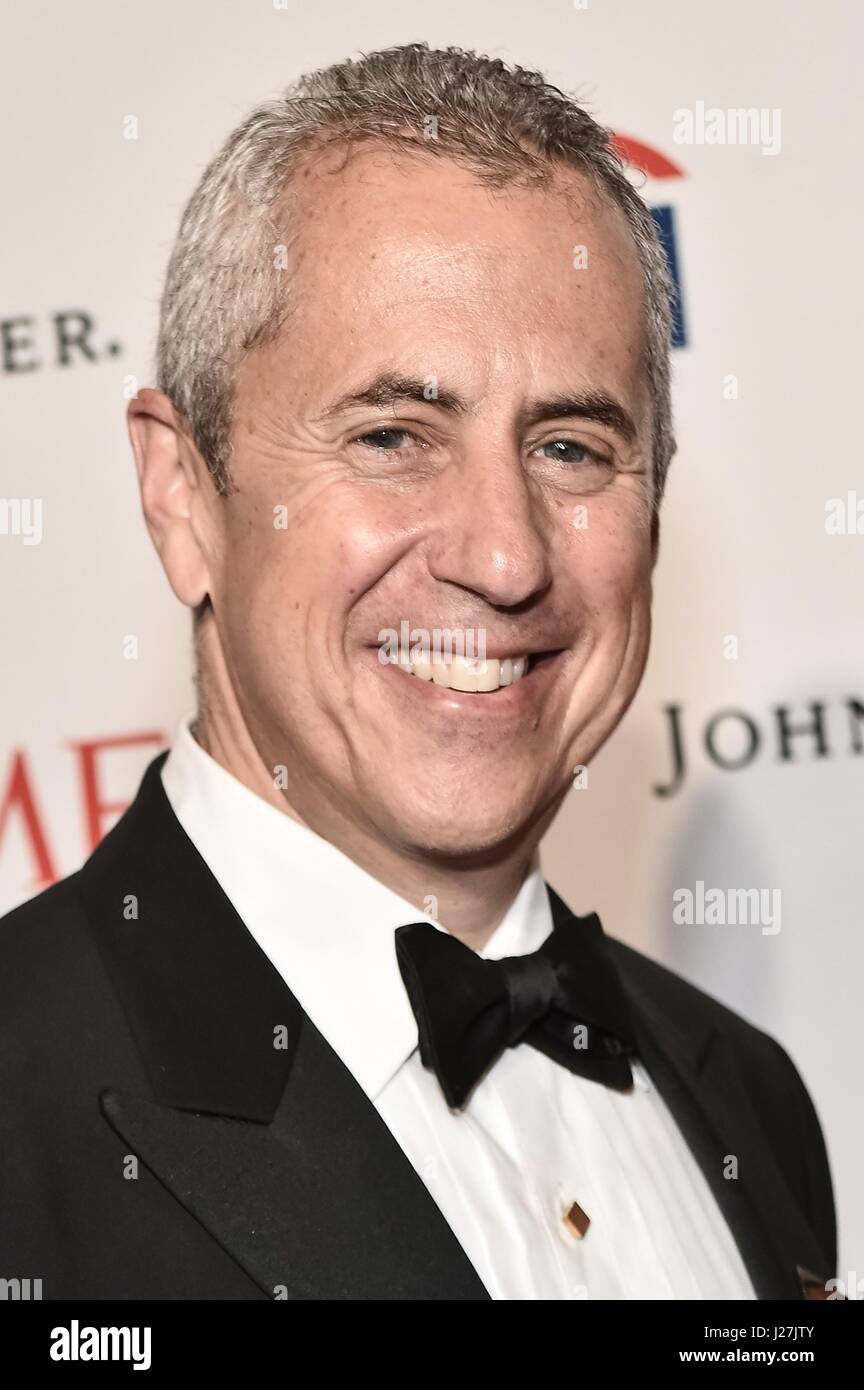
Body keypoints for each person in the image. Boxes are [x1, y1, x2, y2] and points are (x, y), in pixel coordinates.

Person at [0, 41, 836, 1300]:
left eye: (569, 445)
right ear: (182, 496)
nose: (506, 555)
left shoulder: (752, 1095)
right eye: (395, 435)